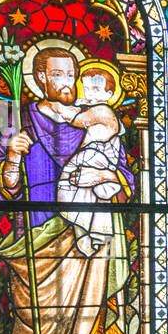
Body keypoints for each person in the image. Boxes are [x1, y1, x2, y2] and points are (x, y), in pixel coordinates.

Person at [0, 47, 133, 334]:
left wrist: (108, 176)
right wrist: (13, 154)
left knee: (91, 328)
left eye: (73, 73)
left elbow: (127, 179)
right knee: (34, 328)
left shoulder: (95, 116)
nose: (68, 81)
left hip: (92, 239)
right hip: (36, 237)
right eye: (58, 74)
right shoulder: (18, 117)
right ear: (40, 79)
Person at [58, 68, 124, 255]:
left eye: (95, 89)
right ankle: (89, 234)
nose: (89, 94)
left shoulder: (102, 111)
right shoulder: (96, 109)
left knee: (73, 192)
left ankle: (87, 235)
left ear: (109, 94)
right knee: (84, 198)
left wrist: (56, 105)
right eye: (86, 89)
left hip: (96, 160)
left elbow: (75, 120)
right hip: (92, 160)